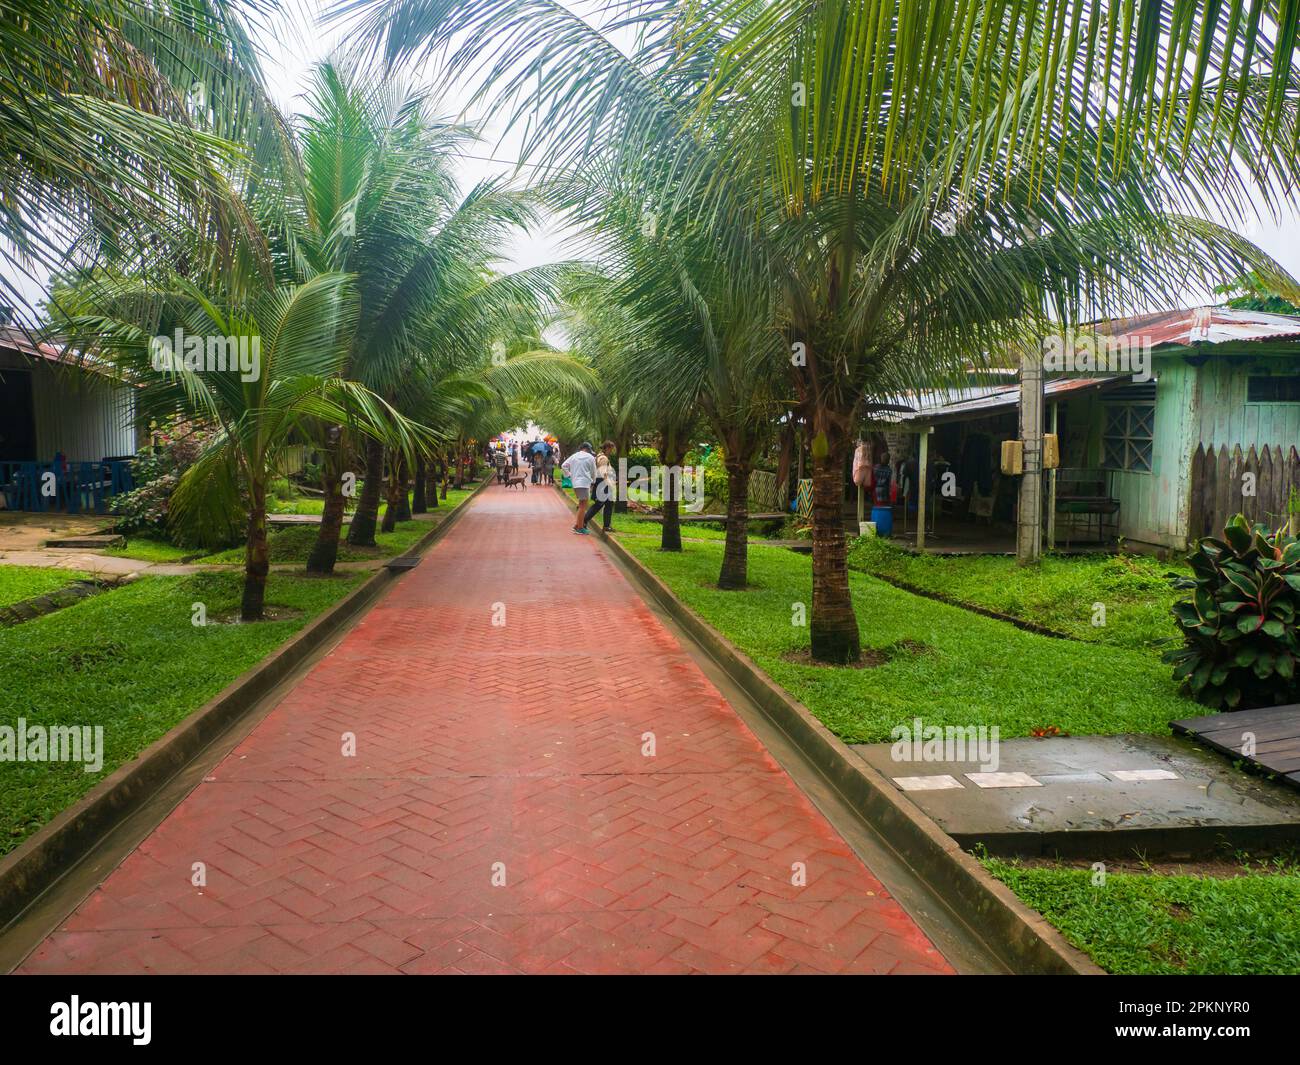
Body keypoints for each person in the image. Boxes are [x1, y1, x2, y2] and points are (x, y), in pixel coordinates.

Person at [561, 442, 598, 534]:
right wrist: (593, 481)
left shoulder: (574, 456)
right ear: (587, 449)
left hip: (576, 483)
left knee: (581, 504)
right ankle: (580, 528)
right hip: (584, 483)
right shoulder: (590, 457)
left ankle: (577, 525)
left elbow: (563, 466)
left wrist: (569, 475)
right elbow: (594, 471)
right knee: (583, 506)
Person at [582, 440, 617, 532]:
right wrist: (608, 483)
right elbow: (603, 472)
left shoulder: (599, 456)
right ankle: (584, 521)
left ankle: (606, 525)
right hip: (603, 483)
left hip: (600, 482)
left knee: (609, 503)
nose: (612, 451)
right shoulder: (603, 458)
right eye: (611, 449)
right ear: (608, 448)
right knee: (599, 504)